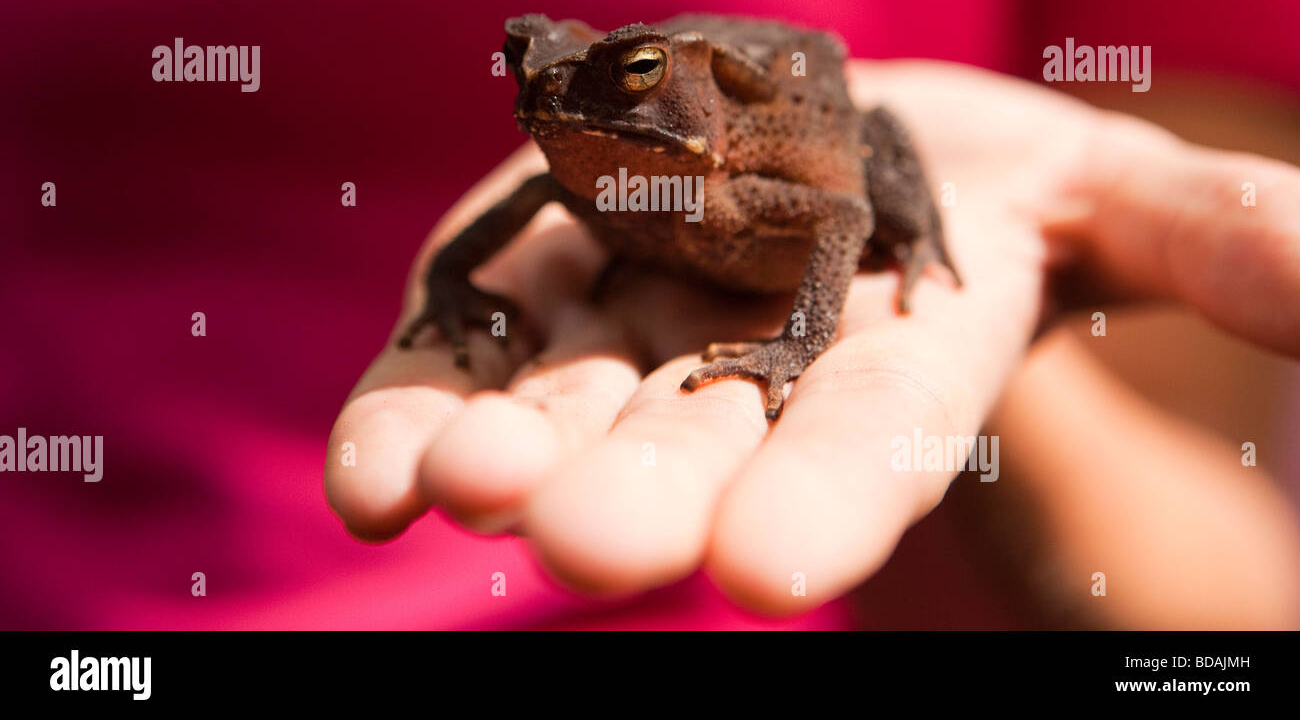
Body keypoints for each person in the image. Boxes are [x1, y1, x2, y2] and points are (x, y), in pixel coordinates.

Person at [324, 59, 1300, 624]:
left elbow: (835, 215)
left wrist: (810, 335)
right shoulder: (582, 172)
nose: (548, 92)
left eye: (626, 78)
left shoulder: (725, 155)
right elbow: (541, 190)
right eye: (526, 65)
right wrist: (457, 280)